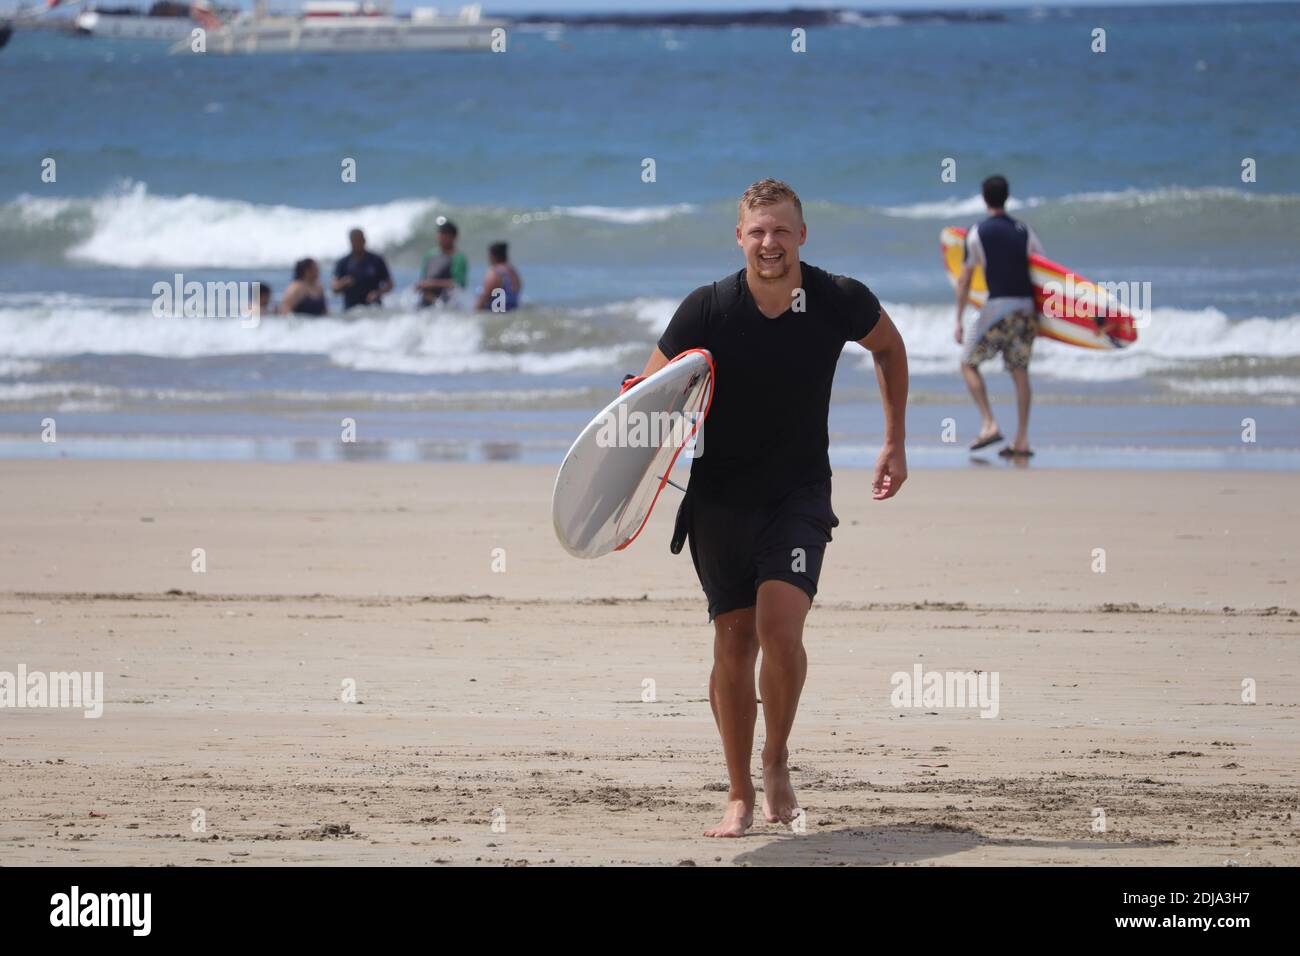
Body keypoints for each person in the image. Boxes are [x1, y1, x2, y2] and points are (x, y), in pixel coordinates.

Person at [632, 179, 909, 837]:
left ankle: (776, 758)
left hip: (799, 494)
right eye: (757, 231)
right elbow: (645, 392)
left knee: (780, 628)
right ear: (739, 237)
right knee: (733, 642)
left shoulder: (839, 299)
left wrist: (895, 441)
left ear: (802, 235)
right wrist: (627, 470)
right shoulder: (708, 309)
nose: (769, 243)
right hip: (720, 500)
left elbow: (889, 348)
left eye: (782, 230)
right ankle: (738, 793)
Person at [954, 175, 1043, 457]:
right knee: (1020, 371)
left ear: (984, 197)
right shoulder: (1024, 230)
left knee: (968, 363)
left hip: (997, 309)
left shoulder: (977, 232)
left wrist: (958, 318)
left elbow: (965, 279)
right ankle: (1022, 440)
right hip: (1026, 310)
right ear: (1007, 197)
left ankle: (989, 424)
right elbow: (1042, 272)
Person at [332, 229, 393, 310]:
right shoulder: (343, 262)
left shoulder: (376, 260)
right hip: (351, 310)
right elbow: (334, 288)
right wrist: (343, 283)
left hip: (373, 307)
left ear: (364, 240)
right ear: (351, 242)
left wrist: (378, 293)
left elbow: (390, 284)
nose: (358, 243)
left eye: (360, 240)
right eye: (355, 241)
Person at [416, 220, 469, 307]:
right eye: (440, 234)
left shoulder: (458, 257)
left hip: (446, 300)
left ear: (454, 237)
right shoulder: (430, 254)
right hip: (426, 298)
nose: (441, 238)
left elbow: (459, 283)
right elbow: (423, 279)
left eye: (445, 235)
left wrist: (432, 284)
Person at [475, 242, 521, 312]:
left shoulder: (494, 273)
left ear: (493, 256)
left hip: (494, 315)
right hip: (511, 312)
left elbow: (484, 297)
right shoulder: (513, 272)